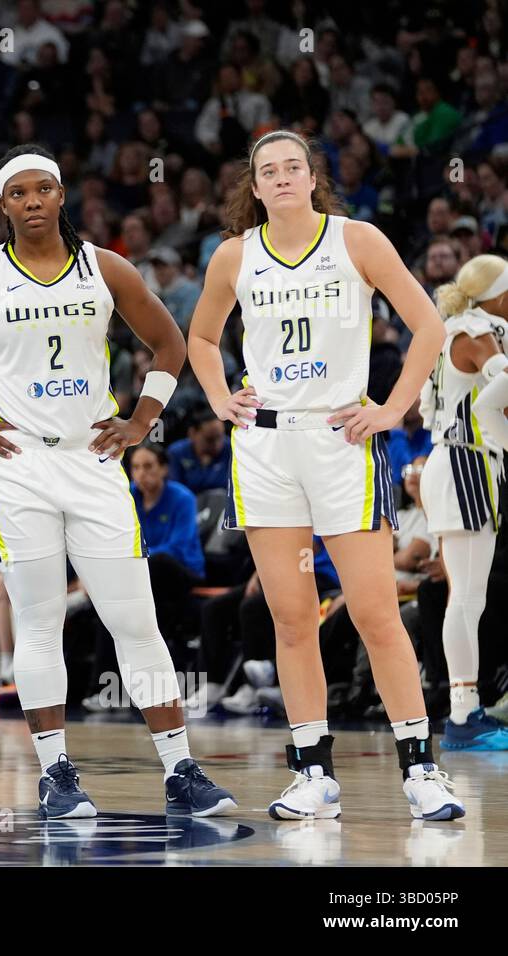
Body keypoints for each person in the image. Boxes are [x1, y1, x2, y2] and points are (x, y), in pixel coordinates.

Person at [0, 143, 236, 819]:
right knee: (40, 619)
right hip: (17, 465)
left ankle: (182, 770)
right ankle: (56, 773)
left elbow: (170, 345)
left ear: (60, 196)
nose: (31, 202)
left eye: (42, 189)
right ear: (3, 205)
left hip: (93, 458)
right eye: (17, 193)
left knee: (134, 619)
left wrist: (142, 417)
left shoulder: (105, 267)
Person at [188, 129, 464, 821]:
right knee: (289, 617)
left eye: (293, 167)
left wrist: (395, 409)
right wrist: (221, 398)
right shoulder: (233, 256)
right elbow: (199, 337)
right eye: (267, 171)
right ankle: (313, 773)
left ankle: (422, 769)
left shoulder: (357, 240)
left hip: (344, 440)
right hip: (266, 446)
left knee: (373, 610)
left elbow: (428, 325)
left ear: (313, 178)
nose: (281, 178)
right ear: (253, 188)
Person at [419, 254, 508, 750]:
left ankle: (465, 711)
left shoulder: (453, 328)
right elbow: (504, 388)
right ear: (498, 294)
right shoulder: (478, 333)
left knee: (467, 597)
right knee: (468, 598)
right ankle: (461, 717)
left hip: (450, 461)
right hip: (466, 464)